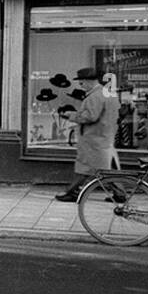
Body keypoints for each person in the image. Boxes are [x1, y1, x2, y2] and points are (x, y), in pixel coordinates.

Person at [54, 68, 120, 202]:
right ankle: (120, 194)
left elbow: (90, 116)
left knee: (84, 167)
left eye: (82, 83)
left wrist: (71, 115)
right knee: (108, 168)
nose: (81, 86)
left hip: (93, 137)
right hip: (105, 136)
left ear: (89, 81)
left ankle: (72, 192)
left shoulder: (95, 96)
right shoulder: (107, 93)